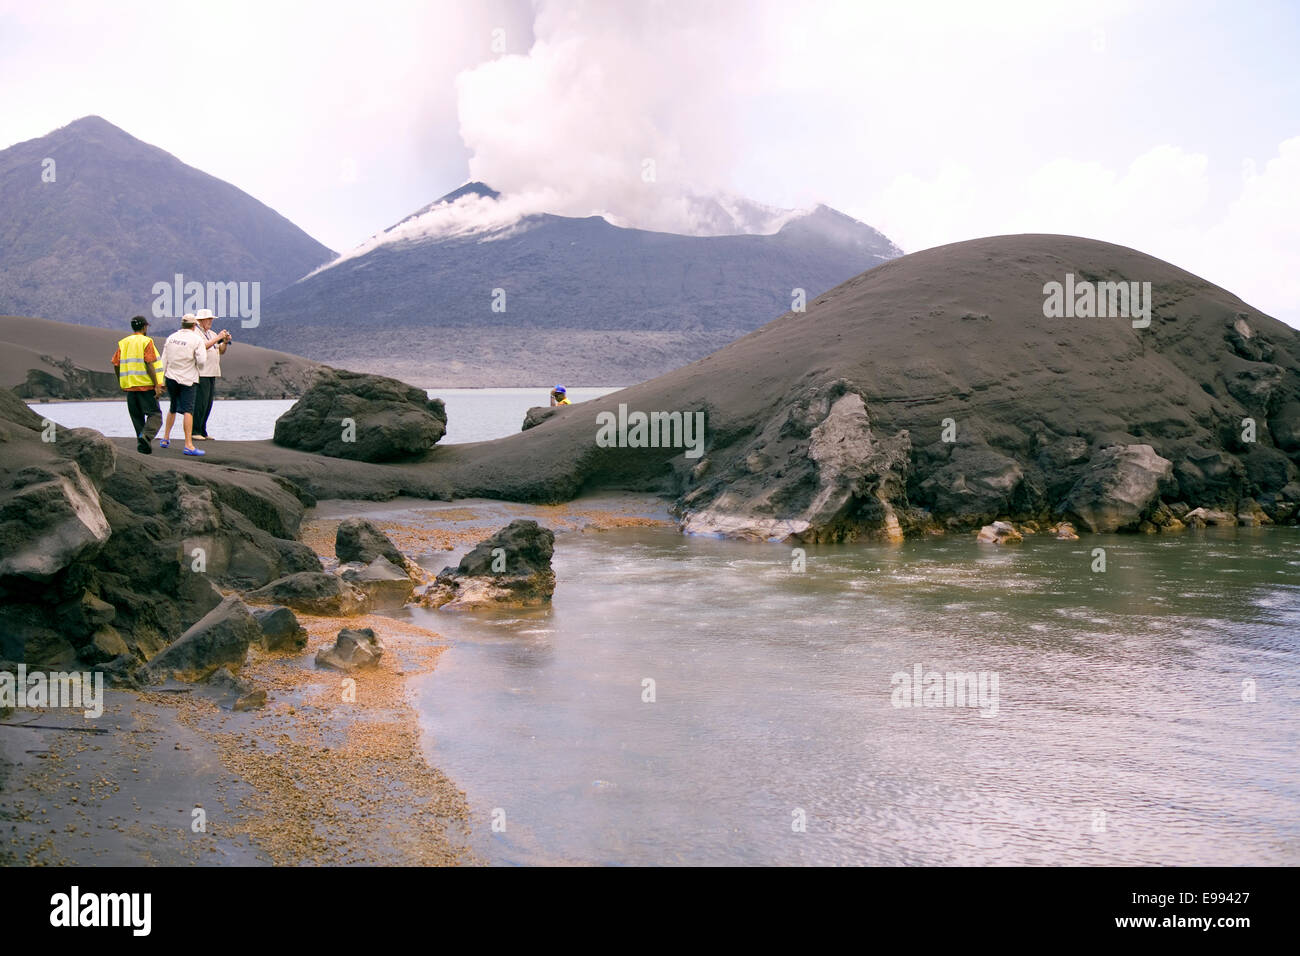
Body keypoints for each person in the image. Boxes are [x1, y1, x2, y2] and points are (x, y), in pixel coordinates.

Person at [110, 315, 165, 454]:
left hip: (130, 387)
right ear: (145, 327)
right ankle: (146, 437)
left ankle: (143, 448)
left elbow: (116, 364)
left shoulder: (124, 343)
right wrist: (157, 385)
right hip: (146, 386)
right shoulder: (146, 341)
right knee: (155, 415)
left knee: (137, 418)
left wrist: (121, 381)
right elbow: (149, 363)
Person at [159, 313, 208, 456]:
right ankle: (188, 444)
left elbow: (164, 359)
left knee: (173, 407)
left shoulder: (171, 338)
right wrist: (198, 368)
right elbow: (202, 361)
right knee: (188, 410)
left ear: (182, 324)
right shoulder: (196, 339)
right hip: (188, 379)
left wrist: (161, 380)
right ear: (194, 325)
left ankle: (165, 438)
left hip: (171, 377)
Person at [192, 308, 231, 440]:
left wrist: (224, 341)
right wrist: (219, 338)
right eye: (208, 319)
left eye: (211, 319)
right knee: (200, 402)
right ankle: (195, 430)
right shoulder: (195, 333)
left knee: (208, 403)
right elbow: (203, 347)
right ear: (200, 320)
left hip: (212, 372)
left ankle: (203, 430)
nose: (210, 322)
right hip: (201, 372)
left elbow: (221, 351)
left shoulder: (212, 333)